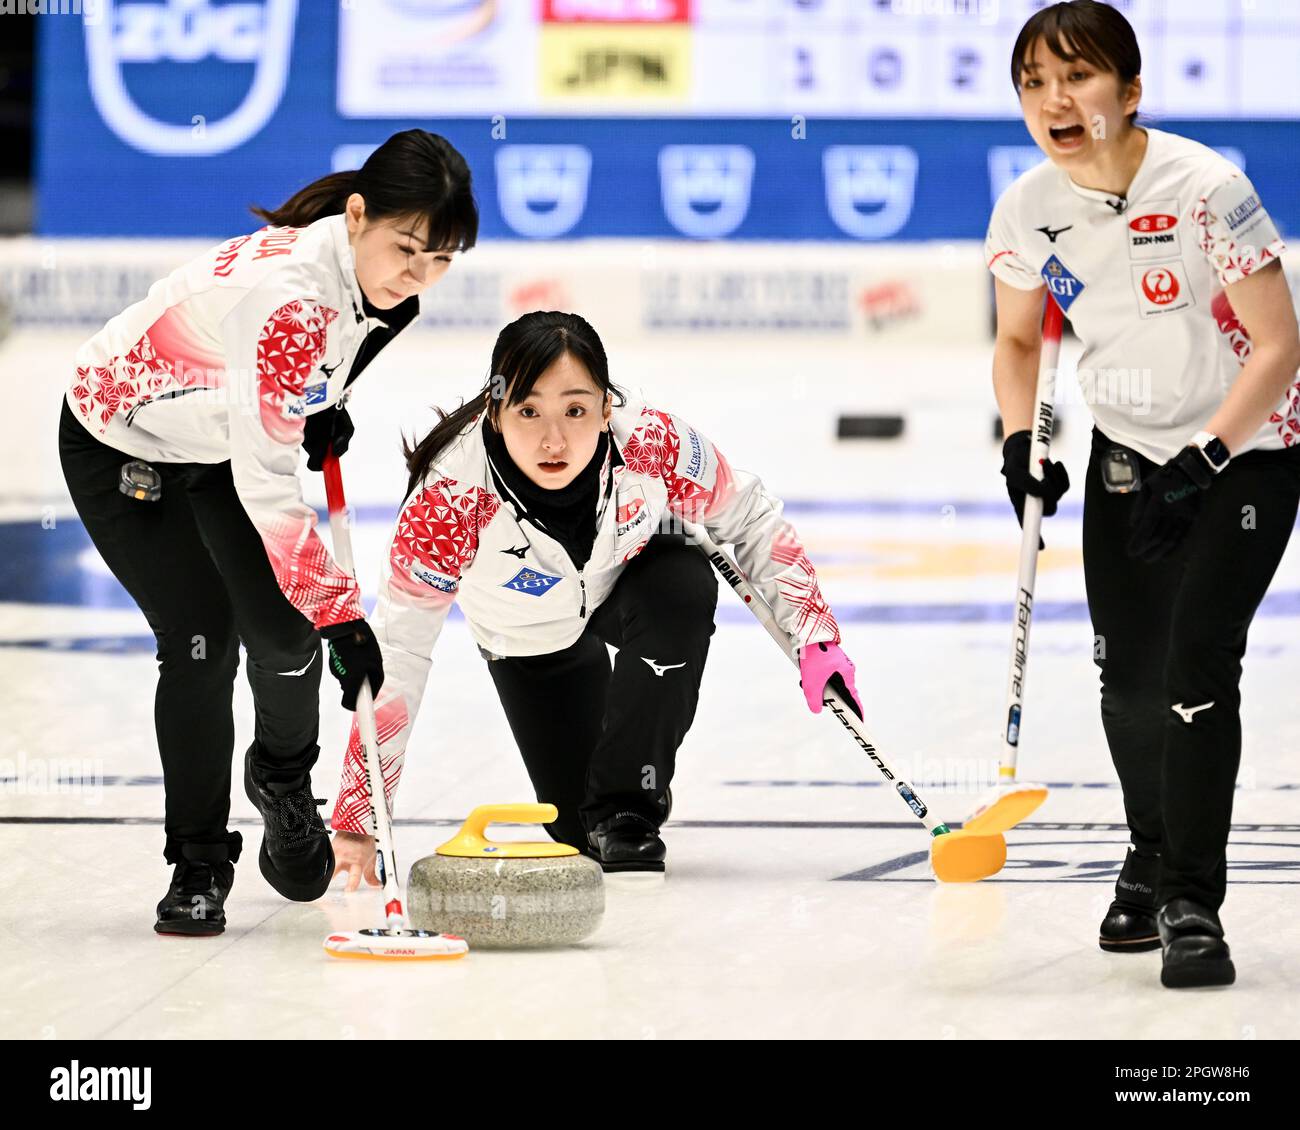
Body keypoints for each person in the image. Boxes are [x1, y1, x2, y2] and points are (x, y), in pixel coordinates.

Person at [58, 130, 478, 935]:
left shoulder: (391, 295)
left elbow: (304, 374)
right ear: (356, 216)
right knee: (202, 641)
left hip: (218, 433)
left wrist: (319, 406)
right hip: (120, 440)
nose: (418, 277)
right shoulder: (287, 298)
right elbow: (269, 489)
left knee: (286, 644)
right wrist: (343, 613)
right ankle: (198, 862)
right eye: (407, 249)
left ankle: (282, 781)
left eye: (442, 260)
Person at [986, 2, 1300, 987]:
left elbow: (1283, 345)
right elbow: (1018, 339)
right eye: (1034, 81)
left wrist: (1204, 459)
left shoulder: (1208, 189)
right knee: (1125, 672)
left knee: (1196, 659)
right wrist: (1012, 442)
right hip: (1128, 452)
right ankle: (1150, 852)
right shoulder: (1026, 204)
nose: (1054, 100)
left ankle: (1190, 900)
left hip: (1245, 451)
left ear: (1128, 93)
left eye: (1076, 77)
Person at [329, 310, 862, 880]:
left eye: (576, 410)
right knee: (578, 835)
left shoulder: (652, 444)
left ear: (608, 409)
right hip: (527, 635)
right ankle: (598, 812)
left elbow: (751, 518)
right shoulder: (452, 497)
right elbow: (401, 652)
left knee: (681, 585)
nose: (553, 438)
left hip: (624, 583)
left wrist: (814, 631)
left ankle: (630, 808)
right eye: (529, 411)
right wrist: (359, 815)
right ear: (496, 411)